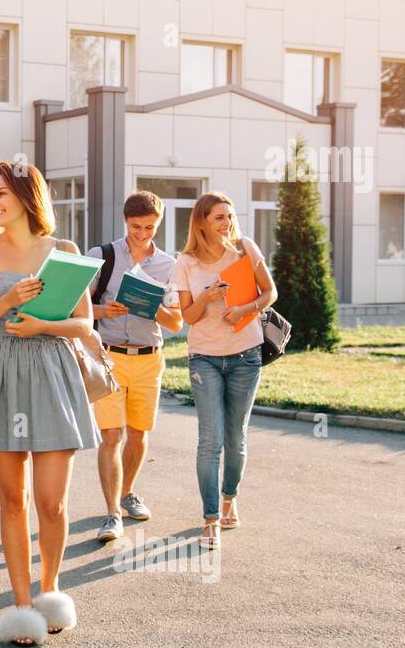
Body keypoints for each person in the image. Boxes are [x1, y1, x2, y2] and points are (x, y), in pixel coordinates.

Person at [0, 161, 98, 647]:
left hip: (54, 372)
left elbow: (85, 325)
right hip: (2, 372)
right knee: (13, 499)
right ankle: (19, 604)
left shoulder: (66, 251)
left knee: (51, 502)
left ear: (26, 196)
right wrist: (10, 297)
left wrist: (43, 326)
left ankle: (51, 592)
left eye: (0, 194)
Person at [171, 192, 277, 551]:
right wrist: (209, 297)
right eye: (219, 217)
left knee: (236, 436)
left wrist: (244, 309)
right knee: (209, 440)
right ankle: (210, 518)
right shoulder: (185, 261)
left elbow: (270, 292)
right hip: (205, 358)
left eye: (229, 216)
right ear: (201, 222)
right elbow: (187, 317)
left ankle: (230, 498)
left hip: (246, 354)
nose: (226, 223)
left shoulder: (245, 249)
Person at [85, 191, 184, 543]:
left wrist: (150, 306)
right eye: (136, 226)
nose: (143, 233)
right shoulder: (101, 256)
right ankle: (112, 513)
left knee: (139, 433)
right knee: (112, 435)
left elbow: (175, 323)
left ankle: (127, 492)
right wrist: (102, 311)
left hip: (148, 358)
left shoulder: (170, 266)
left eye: (150, 227)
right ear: (125, 221)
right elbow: (72, 305)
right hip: (108, 357)